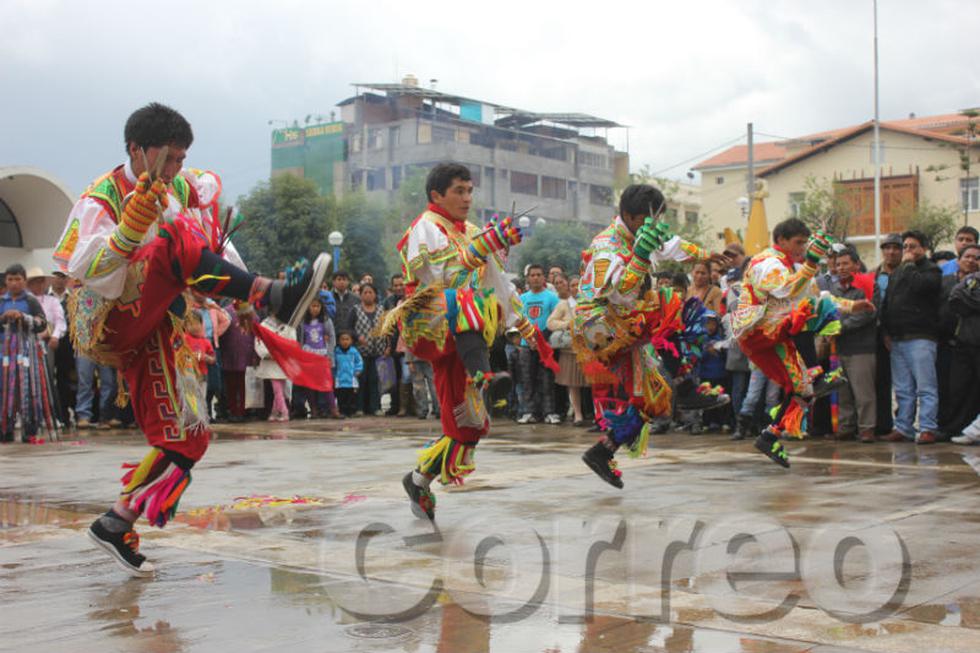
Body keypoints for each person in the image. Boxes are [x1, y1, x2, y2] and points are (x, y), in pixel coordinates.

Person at [57, 102, 330, 576]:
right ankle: (276, 293)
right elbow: (82, 269)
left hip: (161, 321)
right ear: (136, 151)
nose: (175, 169)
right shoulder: (101, 197)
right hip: (114, 317)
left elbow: (214, 249)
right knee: (173, 240)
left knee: (190, 436)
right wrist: (127, 234)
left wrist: (242, 301)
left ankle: (117, 522)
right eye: (168, 159)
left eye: (181, 159)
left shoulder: (181, 187)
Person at [389, 162, 536, 520]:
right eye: (459, 190)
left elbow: (494, 279)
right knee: (465, 299)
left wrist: (518, 317)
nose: (467, 198)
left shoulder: (469, 229)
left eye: (470, 191)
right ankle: (485, 377)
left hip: (465, 333)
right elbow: (441, 281)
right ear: (436, 195)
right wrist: (479, 248)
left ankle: (419, 480)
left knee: (470, 427)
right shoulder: (425, 228)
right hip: (434, 322)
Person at [574, 184, 729, 488]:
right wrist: (641, 255)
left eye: (658, 220)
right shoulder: (607, 247)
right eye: (649, 219)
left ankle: (602, 451)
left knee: (654, 400)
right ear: (629, 216)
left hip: (627, 322)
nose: (655, 227)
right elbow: (621, 293)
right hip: (601, 324)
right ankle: (685, 385)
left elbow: (672, 245)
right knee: (673, 305)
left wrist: (707, 255)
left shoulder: (641, 234)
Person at [731, 217, 873, 467]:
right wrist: (810, 262)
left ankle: (770, 435)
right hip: (759, 331)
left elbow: (818, 297)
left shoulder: (795, 267)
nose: (803, 248)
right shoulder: (767, 262)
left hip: (779, 333)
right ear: (781, 240)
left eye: (806, 244)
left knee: (803, 390)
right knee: (803, 311)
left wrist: (852, 306)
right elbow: (786, 291)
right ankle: (816, 373)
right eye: (798, 242)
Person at [880, 230, 943, 444]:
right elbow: (888, 302)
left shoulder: (931, 270)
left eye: (912, 246)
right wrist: (886, 332)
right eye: (905, 246)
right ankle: (903, 427)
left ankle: (927, 427)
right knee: (903, 389)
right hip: (897, 339)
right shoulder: (898, 272)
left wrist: (907, 266)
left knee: (925, 387)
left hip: (921, 337)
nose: (908, 251)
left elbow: (920, 286)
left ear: (923, 249)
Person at [0, 264, 52, 442]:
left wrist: (23, 317)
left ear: (24, 281)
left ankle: (29, 429)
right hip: (5, 354)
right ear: (6, 281)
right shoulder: (2, 301)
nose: (14, 283)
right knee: (4, 390)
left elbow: (42, 323)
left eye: (18, 279)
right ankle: (4, 429)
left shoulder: (30, 301)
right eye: (10, 279)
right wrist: (4, 318)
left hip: (27, 353)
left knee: (28, 390)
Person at [830, 249, 878, 443]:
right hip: (839, 348)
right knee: (843, 391)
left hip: (862, 347)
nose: (841, 268)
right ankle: (846, 427)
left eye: (845, 263)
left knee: (863, 392)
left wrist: (839, 326)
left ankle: (867, 429)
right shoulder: (834, 290)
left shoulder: (867, 285)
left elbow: (868, 314)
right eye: (838, 264)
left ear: (857, 265)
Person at [941, 248, 980, 440]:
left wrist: (968, 302)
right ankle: (954, 428)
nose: (972, 261)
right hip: (959, 342)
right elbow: (954, 299)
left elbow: (963, 300)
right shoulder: (953, 281)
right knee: (957, 387)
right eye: (968, 257)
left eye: (977, 258)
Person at [517, 264, 560, 424]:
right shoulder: (522, 299)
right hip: (526, 344)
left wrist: (541, 339)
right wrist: (528, 338)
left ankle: (549, 412)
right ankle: (528, 411)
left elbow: (554, 320)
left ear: (544, 278)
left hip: (545, 345)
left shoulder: (552, 297)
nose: (535, 278)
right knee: (527, 379)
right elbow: (517, 320)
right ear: (527, 278)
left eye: (538, 275)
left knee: (547, 379)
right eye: (532, 275)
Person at [547, 273, 587, 426]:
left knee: (592, 384)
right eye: (573, 285)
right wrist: (567, 325)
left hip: (589, 350)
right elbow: (550, 323)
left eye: (578, 285)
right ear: (568, 288)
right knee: (573, 385)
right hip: (570, 350)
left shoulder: (591, 303)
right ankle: (578, 414)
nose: (576, 288)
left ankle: (596, 414)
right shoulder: (564, 304)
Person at [294, 298, 338, 418]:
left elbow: (332, 336)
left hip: (322, 355)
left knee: (327, 383)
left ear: (321, 307)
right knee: (309, 385)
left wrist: (329, 354)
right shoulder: (303, 322)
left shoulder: (326, 320)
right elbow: (300, 339)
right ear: (308, 307)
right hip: (308, 356)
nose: (315, 309)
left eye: (317, 306)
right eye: (312, 306)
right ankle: (314, 409)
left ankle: (333, 409)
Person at [352, 283, 386, 416]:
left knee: (375, 380)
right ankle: (359, 408)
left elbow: (388, 328)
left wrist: (387, 346)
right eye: (365, 292)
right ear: (360, 295)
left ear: (375, 294)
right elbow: (348, 328)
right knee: (361, 380)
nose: (368, 295)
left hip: (378, 351)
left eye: (370, 292)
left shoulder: (381, 310)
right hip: (361, 353)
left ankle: (376, 407)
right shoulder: (355, 310)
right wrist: (357, 337)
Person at [219, 302, 256, 423]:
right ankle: (233, 411)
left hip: (247, 353)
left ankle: (242, 412)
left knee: (244, 385)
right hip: (229, 353)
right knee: (231, 386)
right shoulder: (226, 312)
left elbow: (256, 333)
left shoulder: (251, 313)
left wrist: (256, 354)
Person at [255, 315, 296, 422]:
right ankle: (283, 411)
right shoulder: (264, 325)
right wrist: (268, 354)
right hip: (270, 363)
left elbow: (292, 342)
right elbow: (259, 342)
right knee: (277, 389)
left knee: (279, 390)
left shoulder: (288, 326)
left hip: (282, 362)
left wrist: (282, 353)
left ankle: (276, 412)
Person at [382, 273, 410, 416]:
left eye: (401, 284)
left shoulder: (412, 298)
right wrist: (386, 345)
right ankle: (395, 406)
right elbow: (385, 326)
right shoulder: (388, 302)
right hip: (392, 344)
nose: (399, 288)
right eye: (396, 285)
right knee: (394, 377)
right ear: (392, 287)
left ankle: (409, 407)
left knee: (408, 376)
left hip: (409, 344)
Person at [333, 331, 363, 417]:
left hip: (351, 379)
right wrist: (334, 375)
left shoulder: (354, 351)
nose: (345, 341)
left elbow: (359, 362)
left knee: (352, 397)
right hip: (340, 380)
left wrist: (358, 370)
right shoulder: (336, 352)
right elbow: (333, 364)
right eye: (342, 339)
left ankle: (352, 412)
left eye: (347, 339)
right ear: (339, 341)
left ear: (351, 341)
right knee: (341, 397)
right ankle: (342, 411)